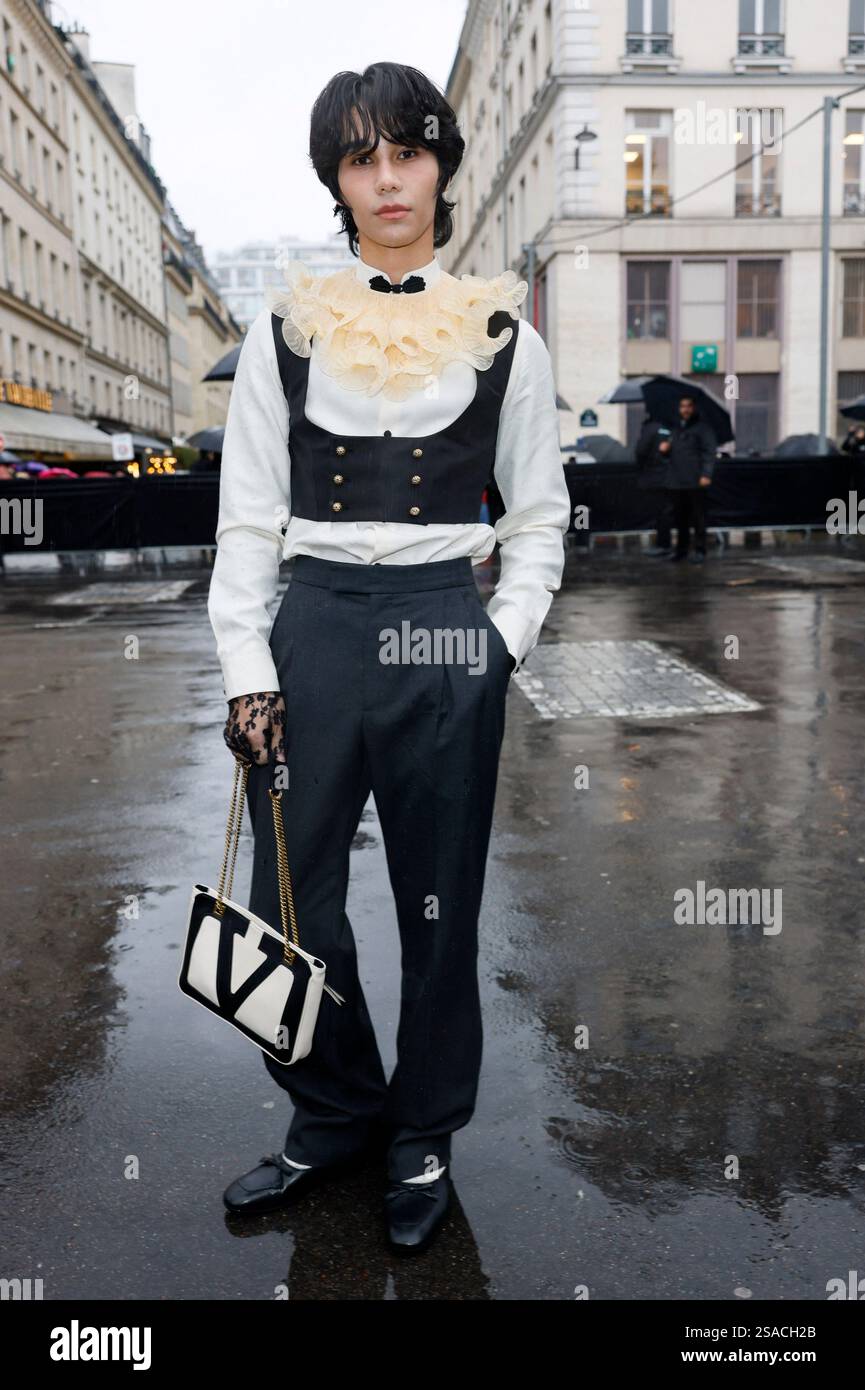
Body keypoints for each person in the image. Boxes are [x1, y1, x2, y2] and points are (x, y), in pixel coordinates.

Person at [206, 61, 571, 1251]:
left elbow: (536, 517)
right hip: (308, 625)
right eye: (359, 160)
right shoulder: (287, 323)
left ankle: (423, 1132)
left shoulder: (502, 329)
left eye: (405, 152)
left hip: (441, 627)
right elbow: (248, 512)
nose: (386, 178)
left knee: (439, 908)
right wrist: (248, 668)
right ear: (337, 182)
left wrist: (498, 645)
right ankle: (334, 1111)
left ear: (440, 163)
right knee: (282, 899)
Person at [664, 396, 717, 563]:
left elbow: (709, 453)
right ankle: (681, 551)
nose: (685, 410)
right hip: (677, 481)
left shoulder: (703, 429)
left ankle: (700, 550)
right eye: (682, 406)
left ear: (694, 408)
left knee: (698, 517)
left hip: (695, 480)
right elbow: (671, 453)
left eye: (688, 406)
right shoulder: (675, 429)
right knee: (680, 518)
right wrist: (664, 450)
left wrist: (706, 474)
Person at [634, 413, 673, 555]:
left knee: (660, 512)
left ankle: (663, 545)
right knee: (666, 512)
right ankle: (665, 544)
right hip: (671, 477)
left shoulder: (651, 427)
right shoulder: (672, 427)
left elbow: (640, 451)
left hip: (654, 477)